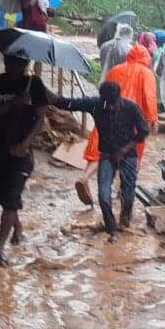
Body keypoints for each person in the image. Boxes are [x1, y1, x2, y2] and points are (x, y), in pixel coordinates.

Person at [48, 81, 150, 242]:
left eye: (113, 104)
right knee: (103, 195)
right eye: (106, 104)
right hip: (107, 155)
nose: (109, 107)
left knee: (128, 194)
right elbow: (67, 103)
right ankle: (112, 230)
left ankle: (125, 220)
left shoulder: (131, 108)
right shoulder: (95, 104)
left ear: (119, 98)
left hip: (128, 155)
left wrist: (123, 150)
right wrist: (42, 90)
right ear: (102, 99)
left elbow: (144, 130)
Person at [0, 55, 49, 266]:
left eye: (17, 65)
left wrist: (26, 144)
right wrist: (13, 105)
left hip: (22, 156)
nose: (12, 69)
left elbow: (41, 118)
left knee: (10, 200)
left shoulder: (34, 84)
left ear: (26, 65)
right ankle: (17, 227)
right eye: (8, 63)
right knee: (5, 198)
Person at [74, 42, 158, 204]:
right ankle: (123, 192)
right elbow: (149, 97)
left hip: (106, 115)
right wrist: (153, 119)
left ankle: (84, 177)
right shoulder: (147, 74)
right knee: (130, 156)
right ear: (145, 58)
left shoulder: (116, 69)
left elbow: (104, 90)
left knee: (100, 150)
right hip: (131, 120)